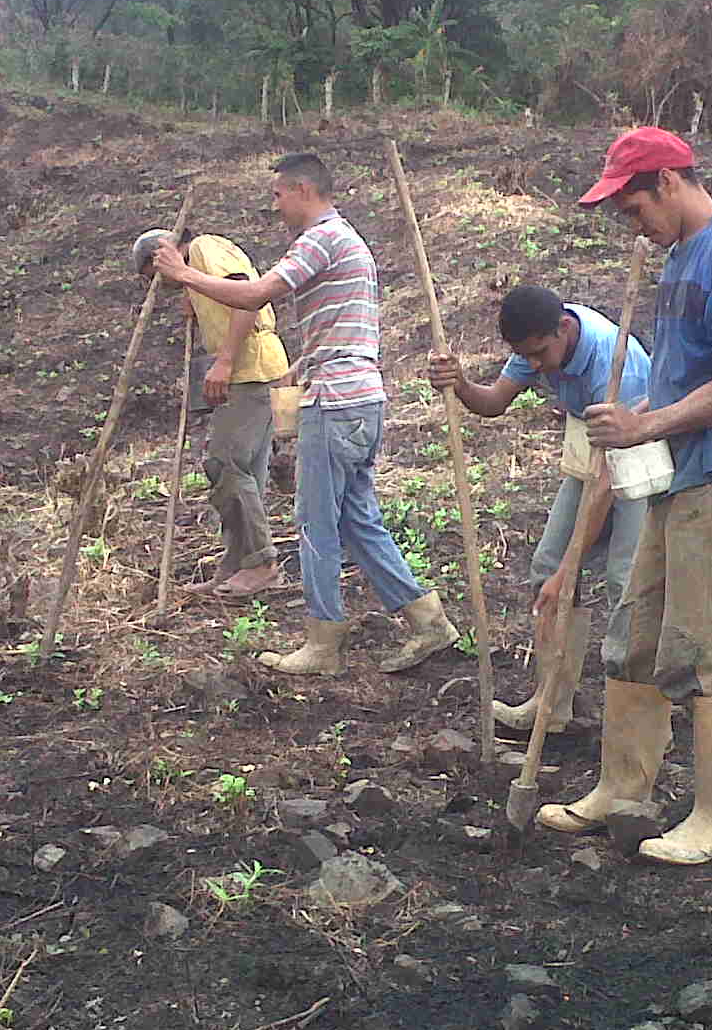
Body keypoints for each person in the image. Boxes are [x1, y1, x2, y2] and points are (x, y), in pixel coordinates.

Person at [535, 126, 712, 866]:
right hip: (668, 473)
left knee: (710, 647)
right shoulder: (678, 256)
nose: (630, 224)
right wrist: (645, 435)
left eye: (633, 207)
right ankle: (622, 787)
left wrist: (647, 425)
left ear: (668, 182)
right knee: (634, 635)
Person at [151, 152, 457, 676]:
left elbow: (257, 293)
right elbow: (342, 328)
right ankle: (427, 618)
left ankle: (322, 640)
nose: (274, 205)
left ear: (301, 190)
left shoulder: (321, 238)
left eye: (277, 195)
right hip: (361, 396)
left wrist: (185, 275)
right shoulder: (345, 240)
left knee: (316, 521)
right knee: (357, 520)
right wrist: (300, 366)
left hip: (336, 404)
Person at [426, 284, 651, 732]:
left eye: (539, 354)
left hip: (639, 451)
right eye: (523, 355)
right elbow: (492, 403)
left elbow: (609, 482)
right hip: (593, 447)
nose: (533, 364)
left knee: (626, 581)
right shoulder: (537, 339)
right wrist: (460, 382)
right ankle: (552, 705)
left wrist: (571, 569)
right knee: (546, 567)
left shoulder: (612, 362)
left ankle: (635, 723)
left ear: (564, 328)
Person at [133, 227, 290, 600]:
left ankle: (261, 564)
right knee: (246, 470)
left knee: (226, 464)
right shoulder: (198, 273)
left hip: (251, 370)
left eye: (153, 277)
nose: (159, 286)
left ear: (163, 256)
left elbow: (246, 300)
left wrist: (225, 360)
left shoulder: (205, 247)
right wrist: (195, 292)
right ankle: (237, 563)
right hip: (254, 368)